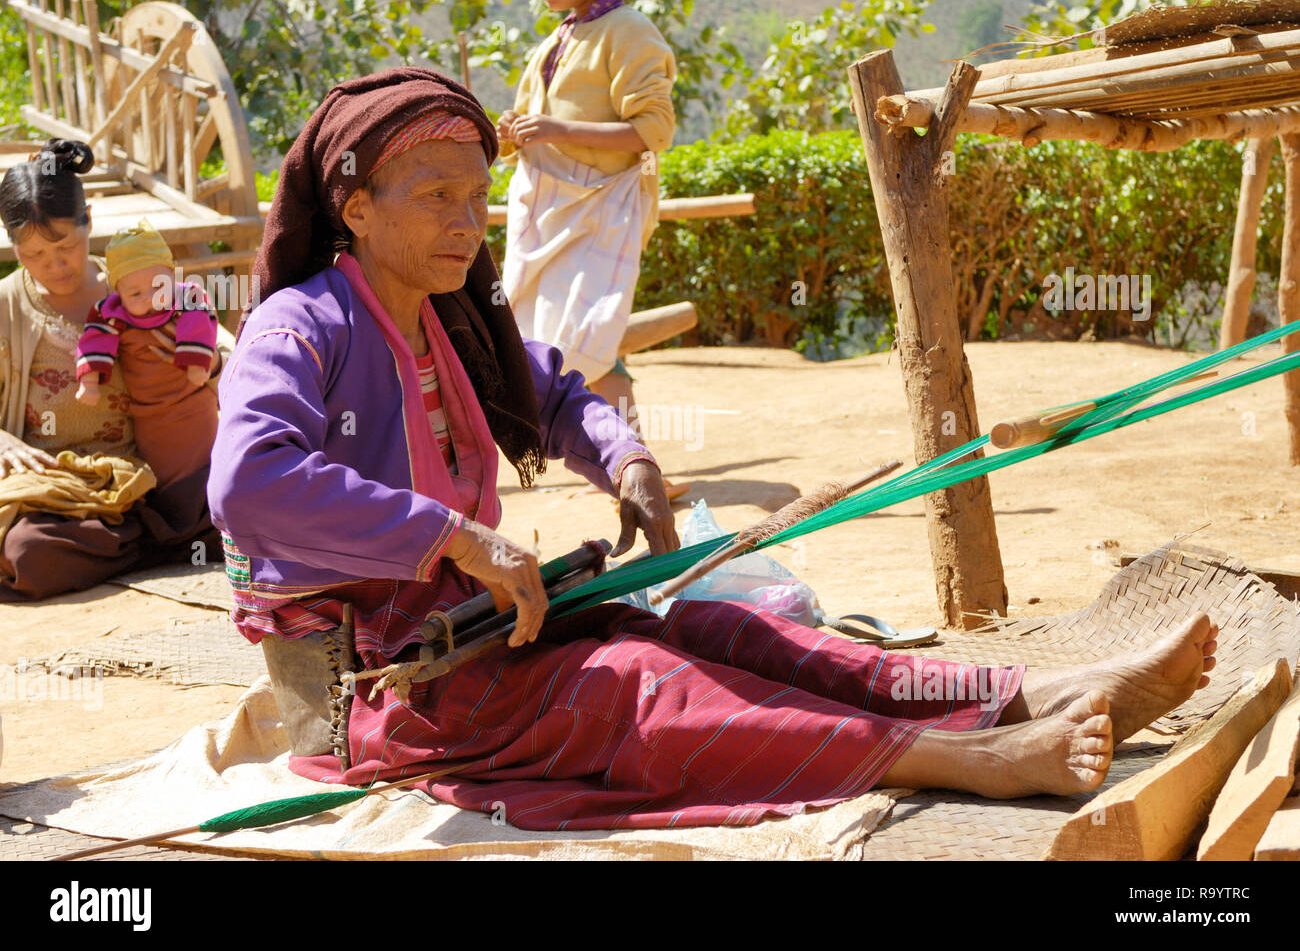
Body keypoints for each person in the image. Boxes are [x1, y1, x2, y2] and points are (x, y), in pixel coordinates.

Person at [208, 69, 1218, 832]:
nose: (469, 224)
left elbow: (556, 395)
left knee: (728, 633)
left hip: (468, 638)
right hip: (376, 699)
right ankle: (967, 762)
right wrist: (459, 538)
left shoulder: (450, 320)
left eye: (479, 197)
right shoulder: (300, 328)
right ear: (352, 207)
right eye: (436, 198)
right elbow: (247, 480)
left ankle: (1027, 694)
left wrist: (629, 462)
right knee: (633, 683)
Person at [0, 138, 230, 601]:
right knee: (29, 550)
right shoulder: (8, 305)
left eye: (65, 245)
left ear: (89, 223)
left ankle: (151, 537)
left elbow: (229, 354)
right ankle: (166, 542)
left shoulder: (139, 284)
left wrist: (207, 361)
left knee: (252, 496)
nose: (55, 265)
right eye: (34, 256)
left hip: (154, 474)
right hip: (62, 488)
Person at [499, 0, 689, 499]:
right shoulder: (558, 37)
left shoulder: (629, 30)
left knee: (590, 333)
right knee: (583, 339)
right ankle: (632, 464)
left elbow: (654, 130)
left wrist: (555, 128)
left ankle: (633, 465)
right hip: (548, 214)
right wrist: (512, 133)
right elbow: (530, 129)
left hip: (599, 210)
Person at [75, 220, 219, 489]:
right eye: (135, 294)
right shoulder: (112, 314)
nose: (150, 299)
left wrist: (198, 363)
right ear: (118, 293)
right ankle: (174, 509)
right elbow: (94, 339)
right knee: (163, 472)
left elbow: (201, 322)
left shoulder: (187, 298)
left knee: (207, 464)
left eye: (158, 287)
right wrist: (89, 382)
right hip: (149, 415)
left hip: (193, 401)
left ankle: (209, 505)